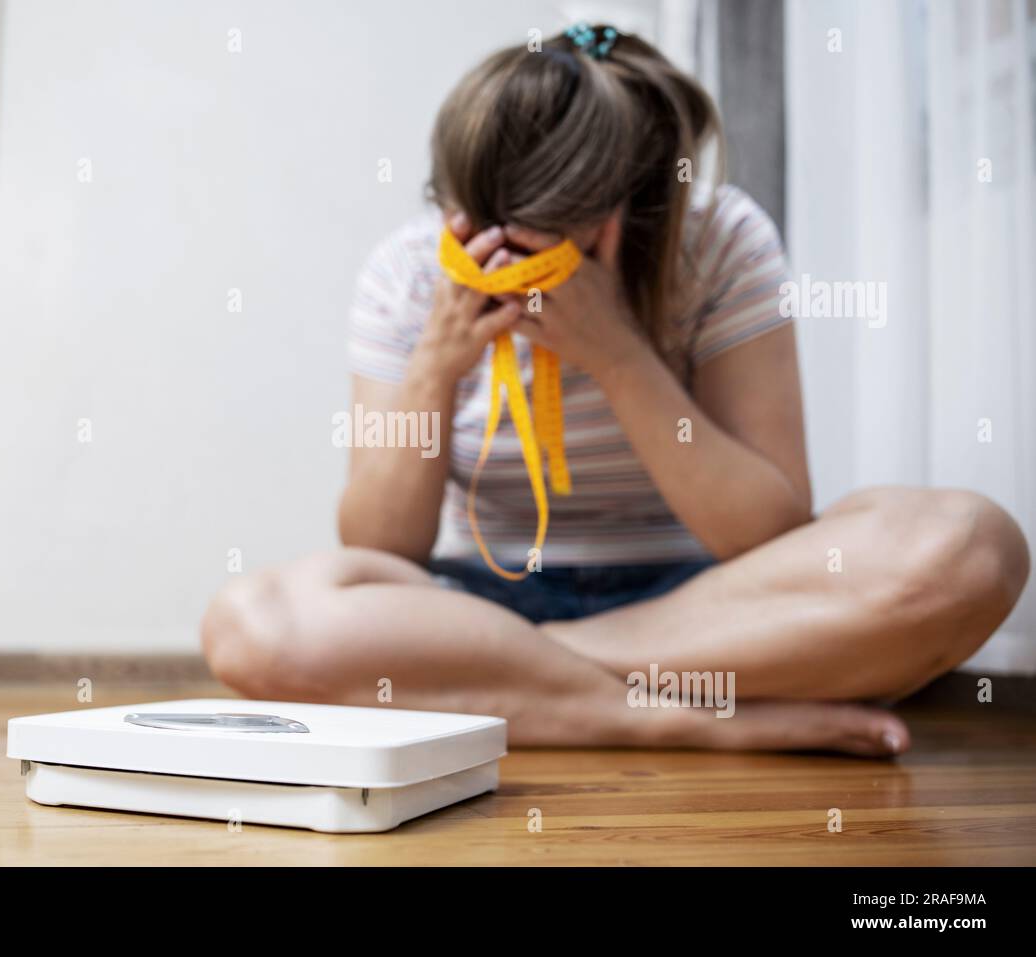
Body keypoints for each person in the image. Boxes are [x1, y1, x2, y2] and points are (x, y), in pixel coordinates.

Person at [201, 26, 1029, 753]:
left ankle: (528, 684)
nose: (503, 266)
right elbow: (381, 549)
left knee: (971, 545)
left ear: (624, 219)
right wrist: (436, 366)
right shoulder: (408, 270)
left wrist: (621, 356)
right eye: (473, 231)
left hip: (708, 608)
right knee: (250, 624)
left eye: (537, 245)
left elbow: (767, 531)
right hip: (473, 598)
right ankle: (668, 716)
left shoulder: (719, 243)